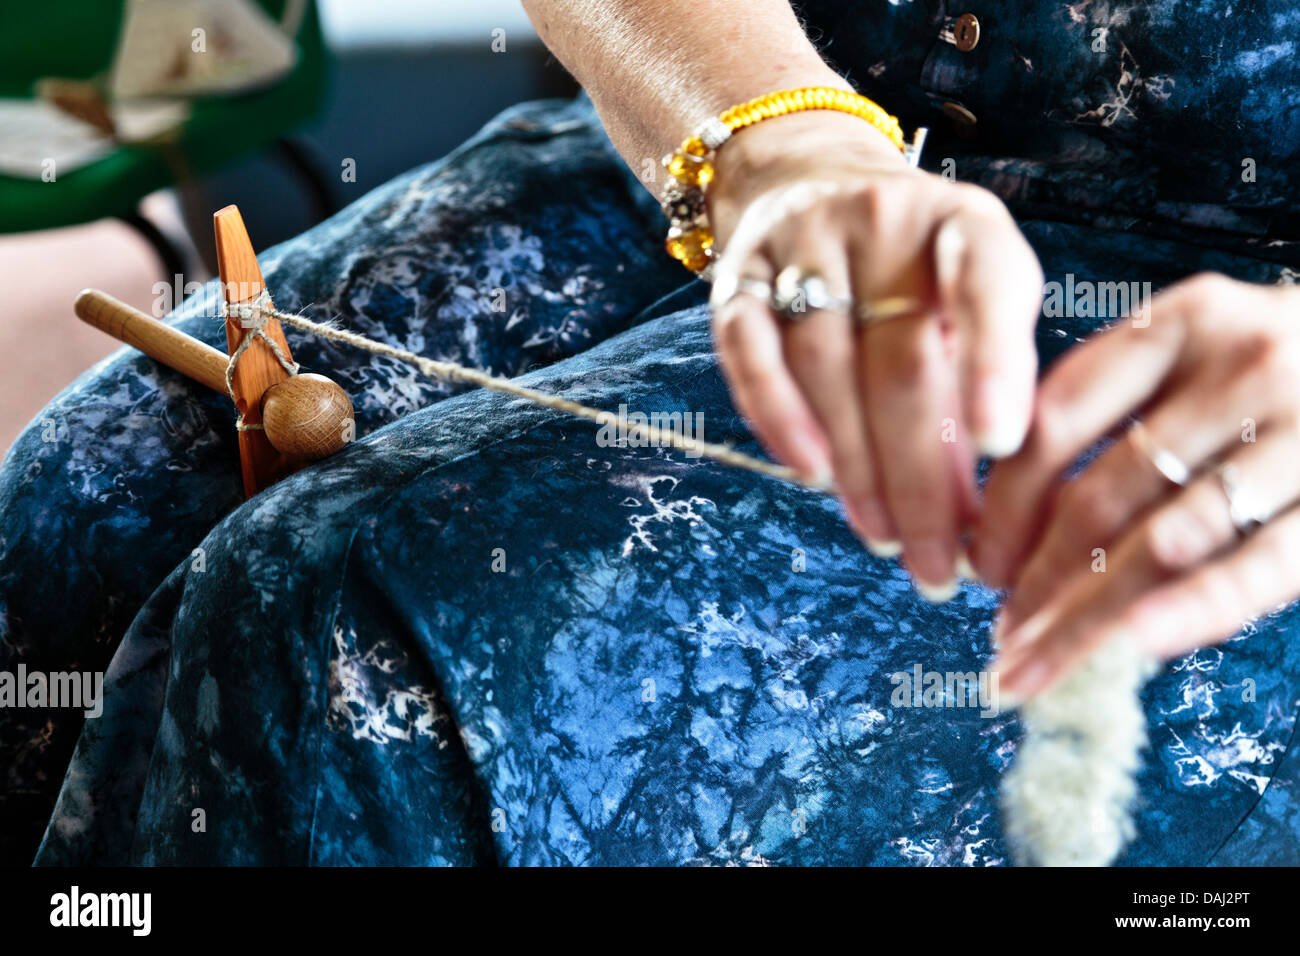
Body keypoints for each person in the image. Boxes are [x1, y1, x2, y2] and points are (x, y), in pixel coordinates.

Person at [2, 0, 1298, 865]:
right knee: (83, 503)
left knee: (354, 619)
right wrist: (782, 148)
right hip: (760, 110)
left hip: (1235, 306)